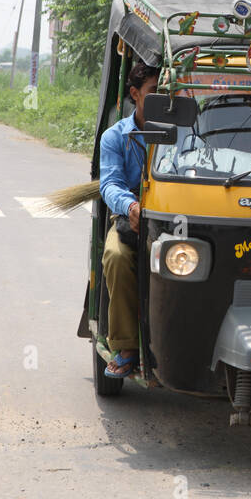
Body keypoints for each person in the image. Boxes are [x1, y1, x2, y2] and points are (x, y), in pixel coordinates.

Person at [98, 61, 159, 378]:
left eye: (166, 91)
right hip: (130, 218)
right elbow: (109, 185)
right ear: (135, 94)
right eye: (154, 92)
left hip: (174, 220)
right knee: (116, 256)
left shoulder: (190, 133)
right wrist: (131, 206)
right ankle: (126, 348)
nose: (163, 98)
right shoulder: (114, 137)